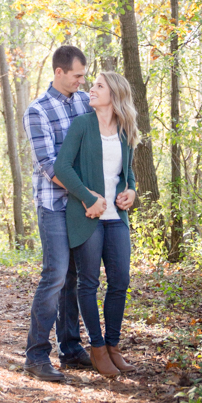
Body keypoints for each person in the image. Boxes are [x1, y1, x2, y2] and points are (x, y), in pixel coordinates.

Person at [54, 71, 139, 378]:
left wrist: (131, 192)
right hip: (87, 217)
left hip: (117, 219)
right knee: (88, 284)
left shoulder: (124, 130)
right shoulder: (82, 125)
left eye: (99, 85)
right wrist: (88, 198)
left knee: (120, 281)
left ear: (114, 94)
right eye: (92, 85)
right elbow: (61, 167)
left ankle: (114, 347)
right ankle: (98, 348)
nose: (92, 88)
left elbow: (127, 175)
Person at [22, 44, 93, 382]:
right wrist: (86, 192)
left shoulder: (84, 103)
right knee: (55, 275)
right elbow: (48, 165)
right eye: (77, 75)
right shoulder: (37, 110)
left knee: (74, 279)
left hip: (82, 206)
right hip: (53, 204)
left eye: (84, 75)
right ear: (59, 72)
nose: (82, 81)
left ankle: (71, 349)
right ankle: (36, 356)